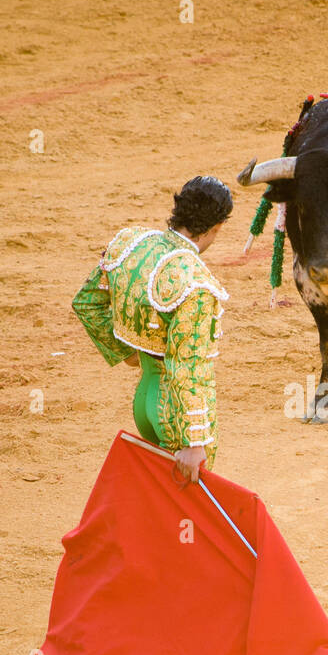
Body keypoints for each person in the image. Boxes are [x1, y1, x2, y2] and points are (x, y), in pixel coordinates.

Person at [72, 177, 232, 482]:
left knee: (159, 500)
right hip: (175, 415)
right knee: (185, 506)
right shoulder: (196, 281)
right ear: (217, 227)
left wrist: (126, 352)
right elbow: (187, 365)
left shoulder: (131, 242)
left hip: (144, 401)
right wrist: (194, 441)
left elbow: (86, 304)